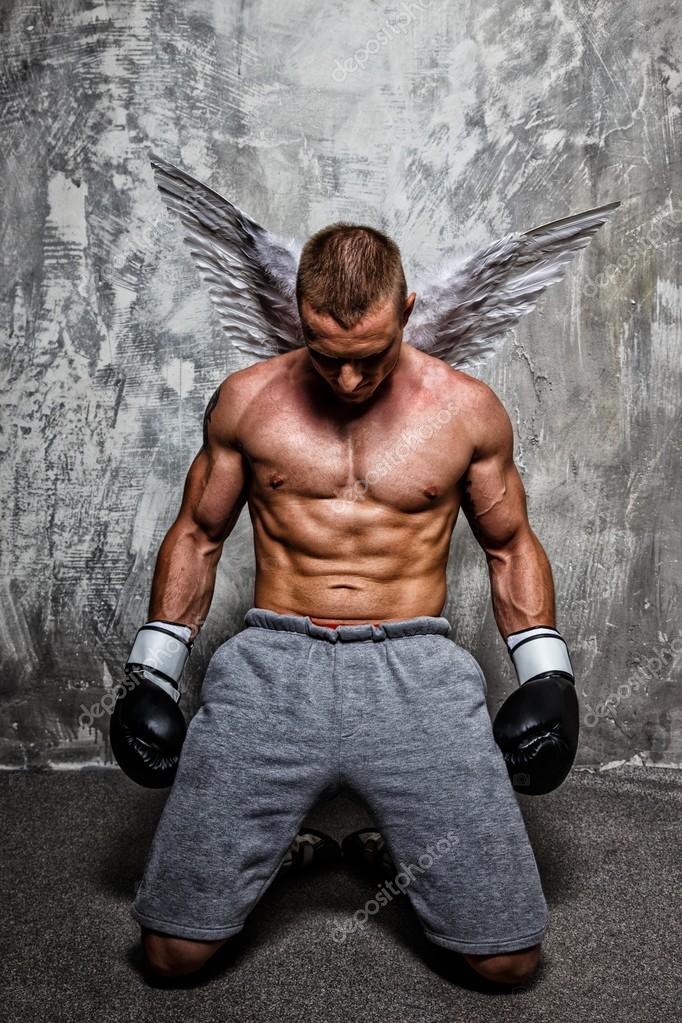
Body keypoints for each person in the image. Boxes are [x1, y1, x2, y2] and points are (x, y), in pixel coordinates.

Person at [112, 223, 579, 989]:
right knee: (171, 956)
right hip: (273, 660)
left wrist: (549, 676)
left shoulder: (466, 410)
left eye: (372, 357)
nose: (352, 383)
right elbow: (198, 533)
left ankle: (392, 848)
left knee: (506, 960)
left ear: (408, 310)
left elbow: (510, 543)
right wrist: (152, 672)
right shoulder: (247, 402)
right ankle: (275, 852)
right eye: (330, 358)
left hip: (416, 664)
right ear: (298, 315)